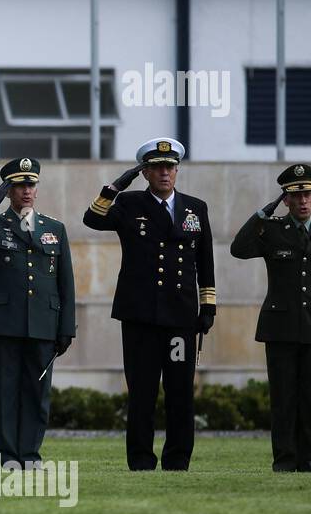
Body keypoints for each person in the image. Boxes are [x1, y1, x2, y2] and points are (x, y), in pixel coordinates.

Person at [83, 137, 215, 471]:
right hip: (140, 315)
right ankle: (141, 460)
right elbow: (92, 219)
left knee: (180, 392)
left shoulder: (194, 208)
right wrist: (115, 187)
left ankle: (177, 460)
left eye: (170, 167)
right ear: (145, 172)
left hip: (180, 318)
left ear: (177, 170)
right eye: (157, 168)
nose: (165, 173)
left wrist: (207, 304)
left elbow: (206, 260)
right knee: (142, 393)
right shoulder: (129, 204)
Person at [230, 164, 311, 472]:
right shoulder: (272, 230)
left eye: (307, 194)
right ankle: (284, 460)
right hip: (280, 327)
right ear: (286, 200)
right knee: (283, 399)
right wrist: (262, 214)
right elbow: (238, 249)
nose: (303, 201)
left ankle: (308, 461)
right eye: (295, 196)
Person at [0, 157, 75, 468]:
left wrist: (66, 327)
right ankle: (7, 457)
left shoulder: (54, 228)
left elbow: (65, 281)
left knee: (37, 395)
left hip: (43, 324)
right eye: (18, 185)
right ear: (9, 190)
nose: (26, 190)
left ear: (37, 188)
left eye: (30, 184)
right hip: (4, 324)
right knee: (4, 395)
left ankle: (30, 455)